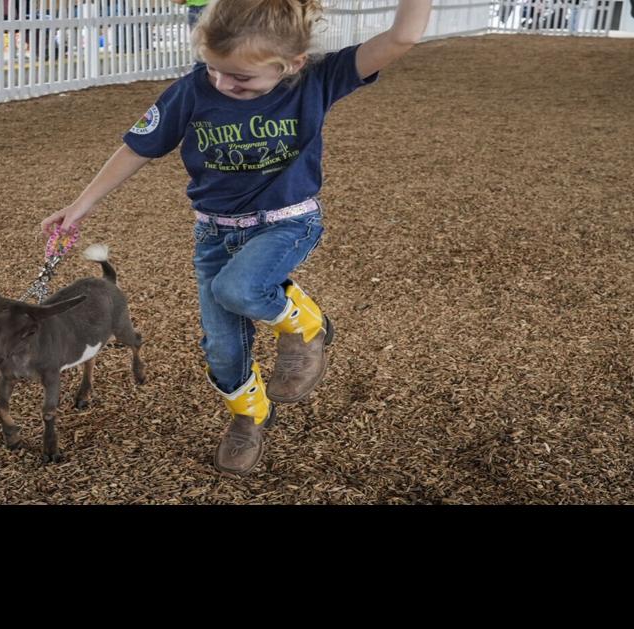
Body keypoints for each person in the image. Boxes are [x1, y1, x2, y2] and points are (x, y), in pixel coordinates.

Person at [41, 0, 430, 475]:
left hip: (287, 221)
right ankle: (250, 417)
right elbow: (138, 146)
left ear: (292, 64)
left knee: (239, 289)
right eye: (214, 70)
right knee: (223, 352)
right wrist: (79, 206)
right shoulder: (192, 90)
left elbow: (401, 38)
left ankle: (305, 326)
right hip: (214, 233)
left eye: (241, 78)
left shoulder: (317, 81)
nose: (224, 84)